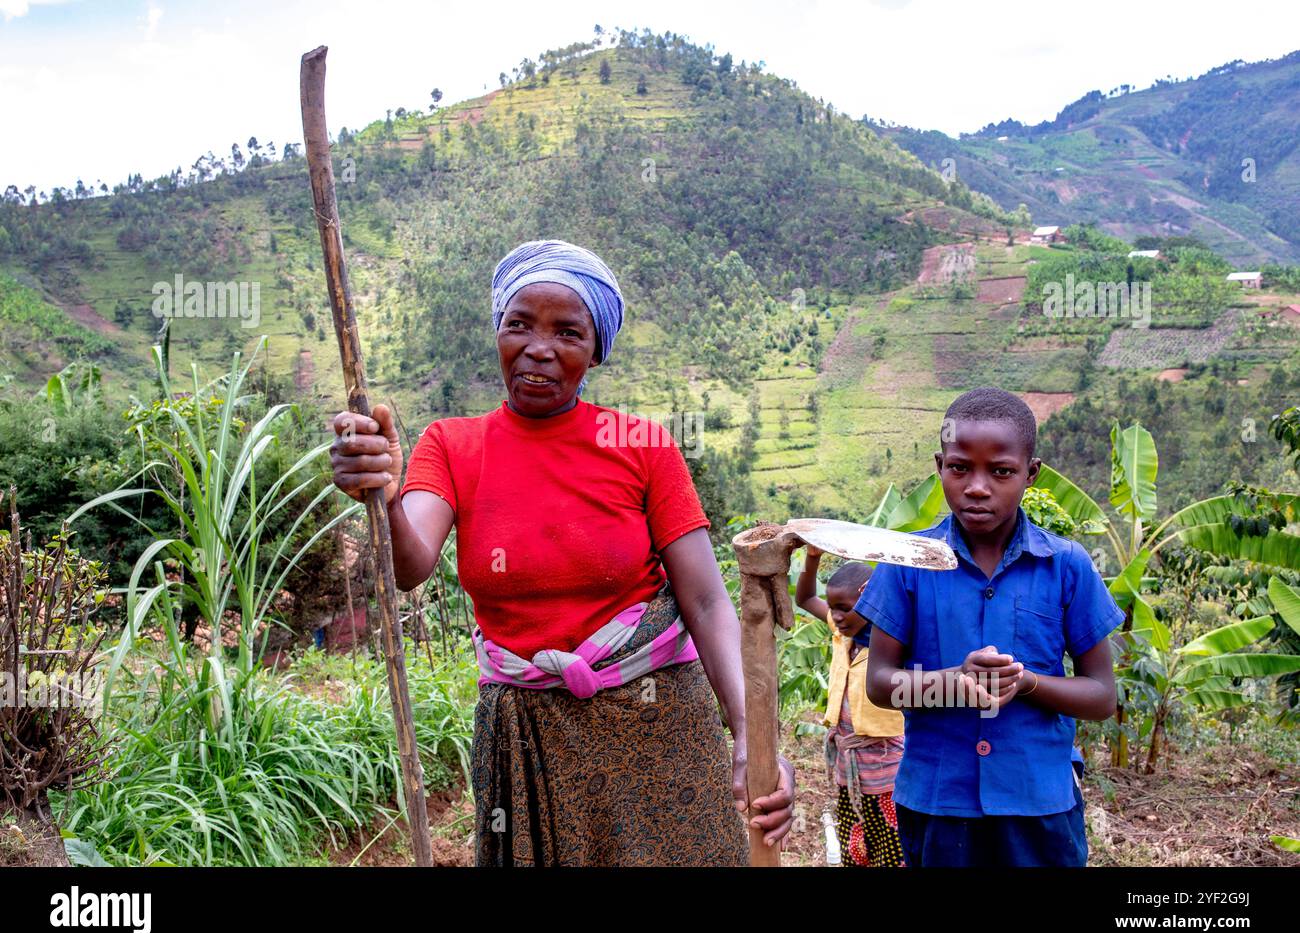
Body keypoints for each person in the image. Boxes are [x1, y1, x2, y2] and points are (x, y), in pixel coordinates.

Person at [329, 239, 794, 866]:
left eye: (567, 332)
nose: (539, 347)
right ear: (498, 332)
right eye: (518, 324)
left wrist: (749, 734)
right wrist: (383, 495)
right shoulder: (453, 445)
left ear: (596, 351)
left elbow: (707, 601)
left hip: (659, 726)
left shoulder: (641, 444)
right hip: (527, 736)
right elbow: (410, 566)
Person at [858, 387, 1122, 867]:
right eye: (960, 468)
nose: (977, 487)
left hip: (1039, 805)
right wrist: (953, 685)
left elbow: (1102, 696)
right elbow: (880, 685)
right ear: (940, 466)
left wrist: (1026, 684)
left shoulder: (1066, 566)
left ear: (1031, 474)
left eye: (1001, 471)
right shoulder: (906, 562)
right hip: (938, 803)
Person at [795, 549, 905, 867]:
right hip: (849, 766)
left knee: (894, 852)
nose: (837, 617)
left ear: (870, 599)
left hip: (888, 769)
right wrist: (812, 557)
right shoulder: (845, 635)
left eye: (844, 608)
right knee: (856, 849)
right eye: (833, 610)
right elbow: (803, 598)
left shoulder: (894, 642)